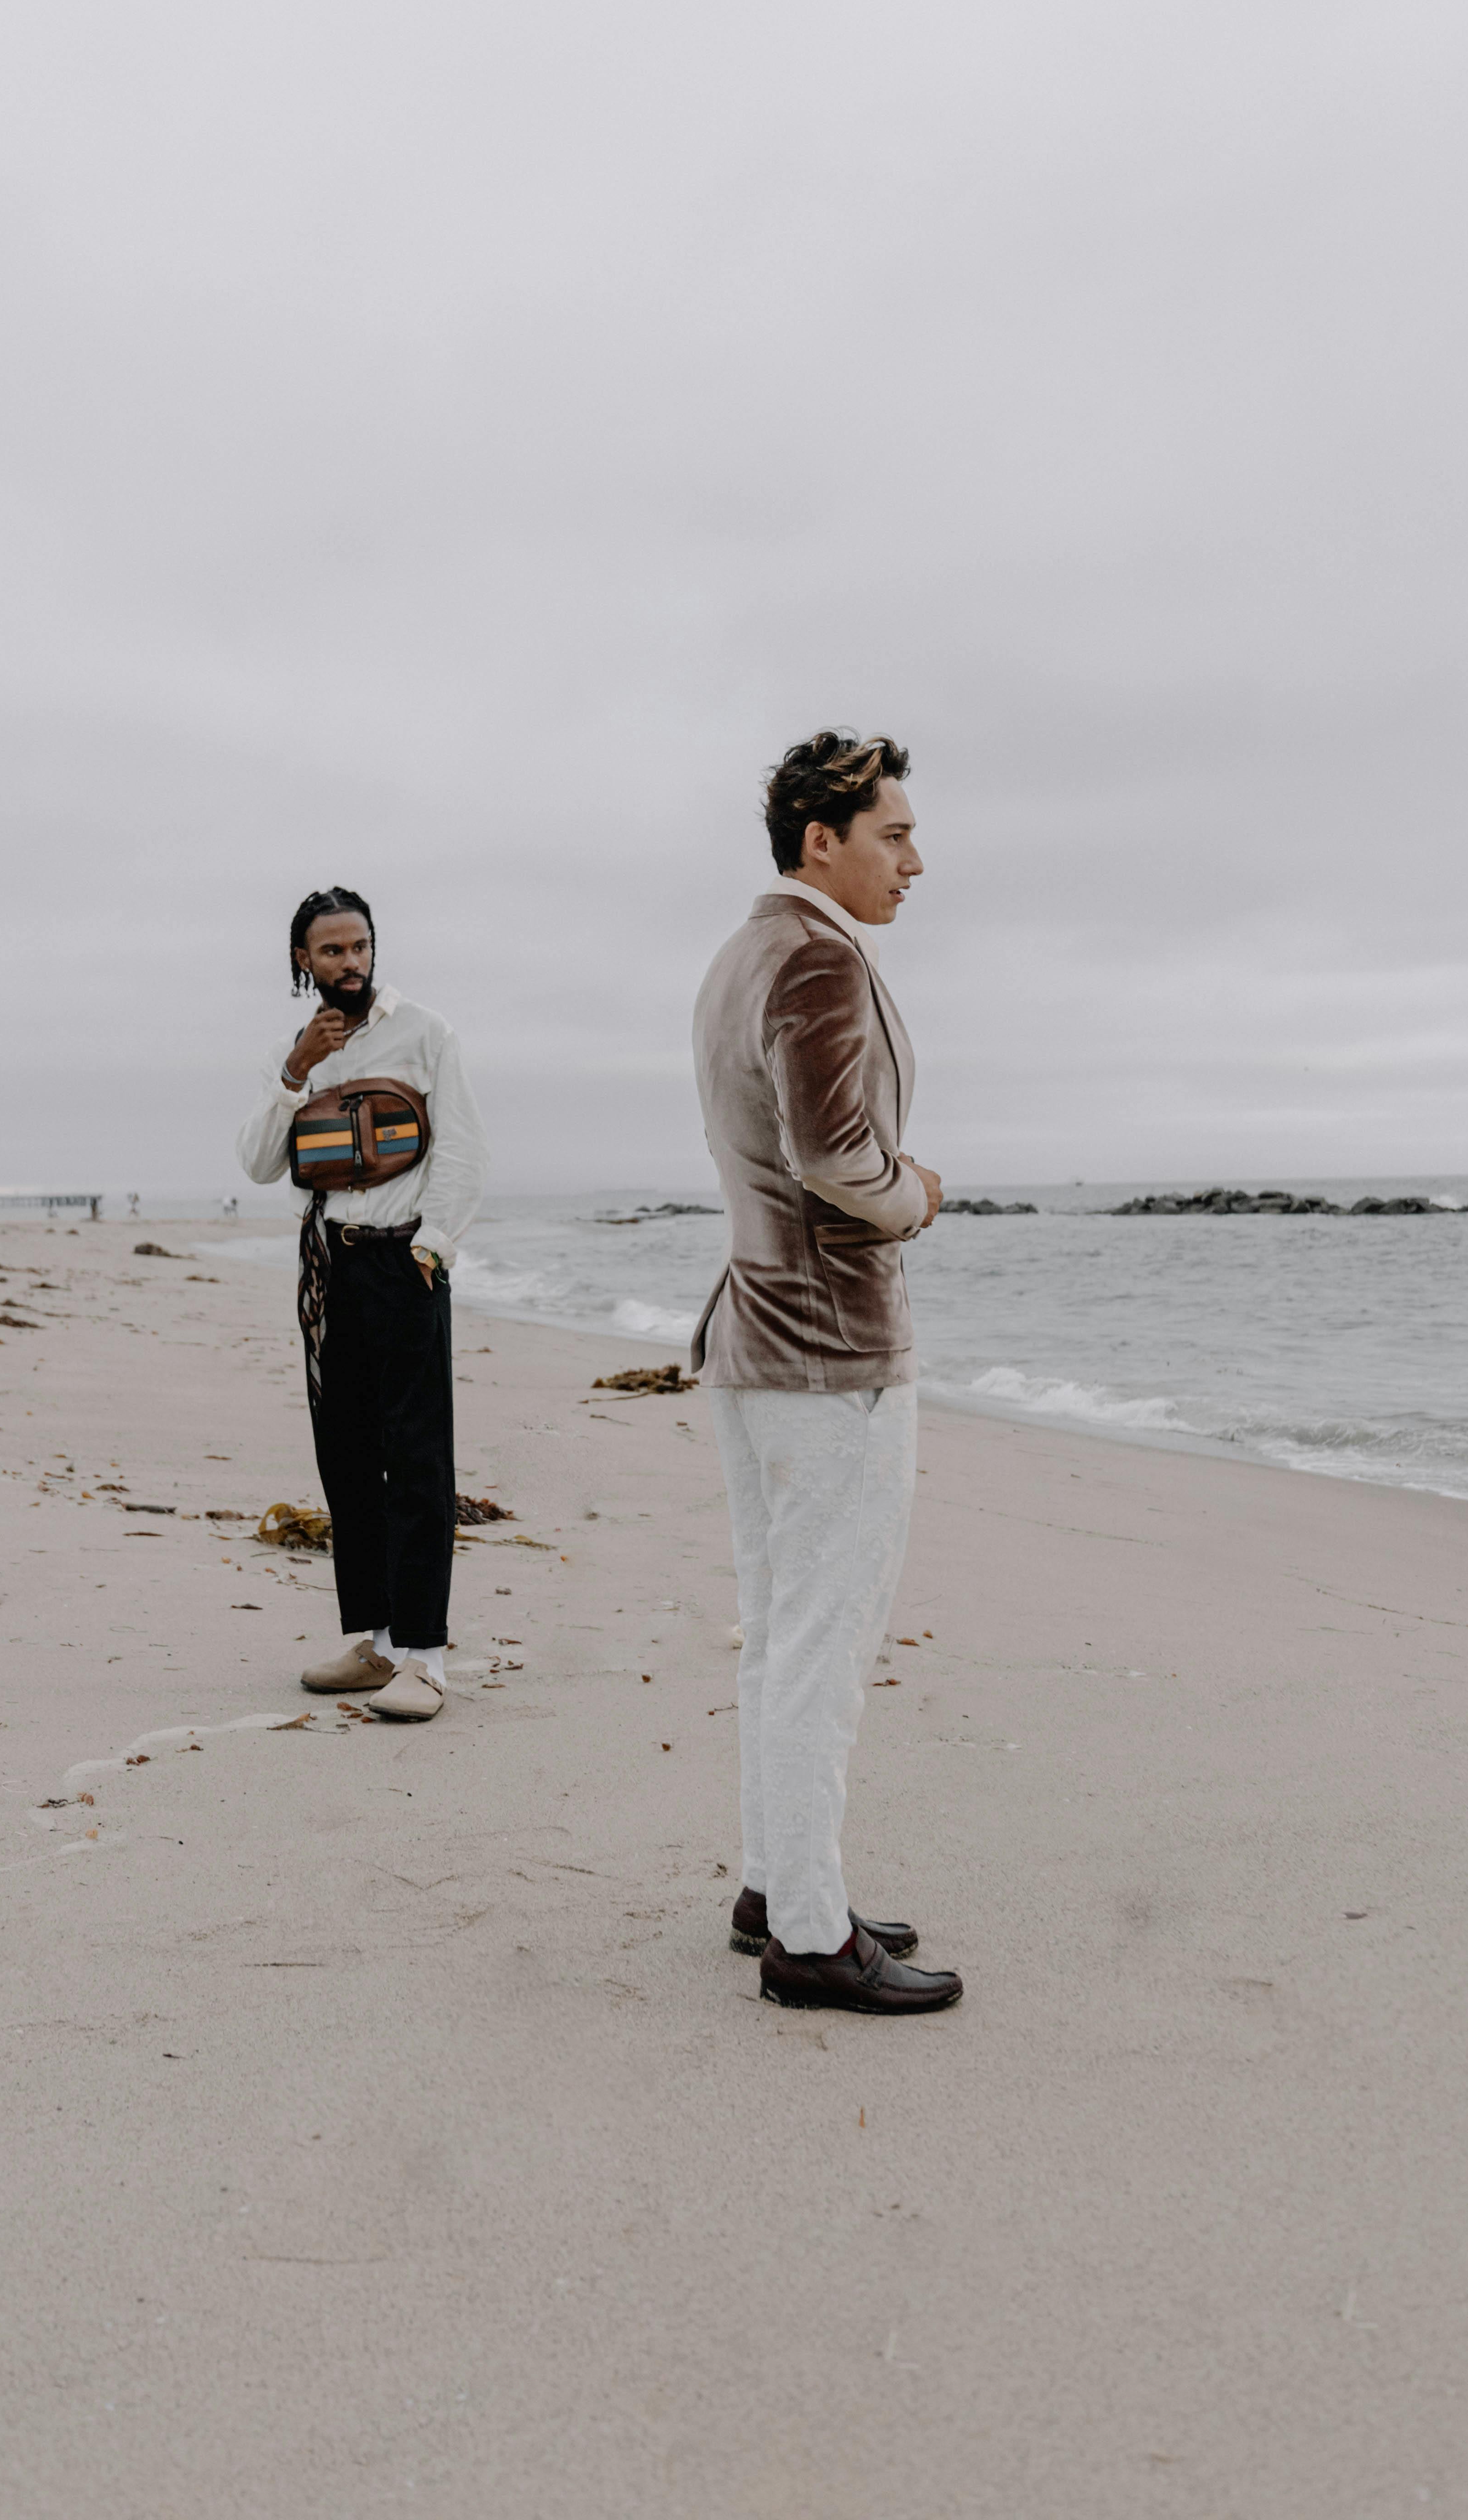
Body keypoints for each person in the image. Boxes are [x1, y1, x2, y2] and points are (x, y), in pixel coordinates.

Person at [691, 733, 963, 2013]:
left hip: (756, 1335)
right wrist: (918, 1196)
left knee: (780, 1631)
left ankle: (777, 1885)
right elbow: (836, 1157)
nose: (915, 861)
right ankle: (807, 1936)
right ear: (821, 841)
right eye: (892, 834)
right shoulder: (815, 956)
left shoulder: (743, 952)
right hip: (827, 1345)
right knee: (823, 1639)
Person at [237, 886, 487, 1722]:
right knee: (346, 1456)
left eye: (361, 946)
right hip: (329, 1269)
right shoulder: (295, 1052)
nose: (351, 963)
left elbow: (463, 1151)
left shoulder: (426, 1033)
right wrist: (294, 1071)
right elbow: (258, 1164)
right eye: (333, 951)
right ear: (302, 961)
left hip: (403, 1261)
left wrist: (432, 1248)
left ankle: (426, 1659)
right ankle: (378, 1645)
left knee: (418, 1459)